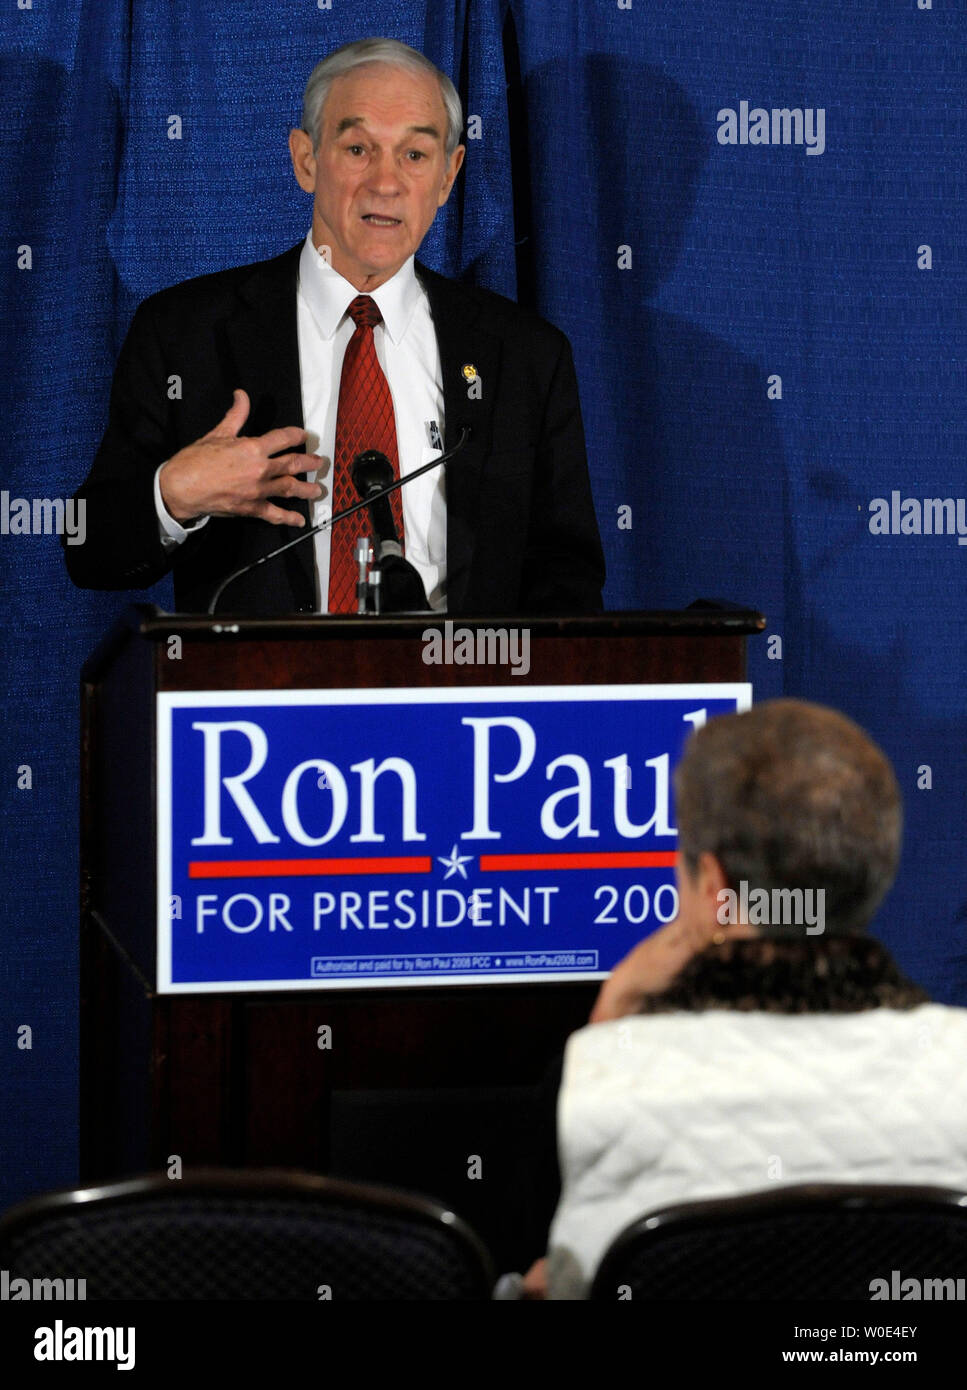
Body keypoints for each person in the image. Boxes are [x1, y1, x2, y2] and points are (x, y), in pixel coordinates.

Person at [62, 38, 605, 616]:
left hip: (456, 696)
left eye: (415, 155)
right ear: (306, 161)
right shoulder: (186, 334)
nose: (386, 183)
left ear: (449, 176)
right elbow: (87, 545)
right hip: (260, 699)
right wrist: (174, 493)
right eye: (357, 149)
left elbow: (566, 584)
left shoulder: (524, 357)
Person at [522, 699, 967, 1298]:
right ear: (877, 869)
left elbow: (541, 1271)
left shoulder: (591, 1086)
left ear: (713, 887)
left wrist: (608, 1027)